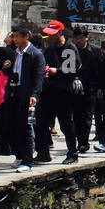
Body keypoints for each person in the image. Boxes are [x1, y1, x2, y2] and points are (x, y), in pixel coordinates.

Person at [35, 21, 80, 165]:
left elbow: (71, 71)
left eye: (52, 34)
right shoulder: (49, 49)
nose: (50, 37)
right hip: (48, 90)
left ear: (60, 33)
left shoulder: (69, 48)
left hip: (63, 91)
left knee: (66, 123)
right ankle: (43, 152)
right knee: (40, 120)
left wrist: (56, 71)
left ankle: (72, 153)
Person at [2, 26, 45, 171]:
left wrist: (34, 95)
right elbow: (11, 73)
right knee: (10, 125)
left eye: (16, 37)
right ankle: (18, 155)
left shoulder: (35, 55)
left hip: (26, 93)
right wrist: (7, 68)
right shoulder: (15, 53)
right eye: (13, 37)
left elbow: (38, 78)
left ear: (26, 36)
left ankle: (27, 160)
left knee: (24, 127)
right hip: (13, 91)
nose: (14, 40)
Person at [72, 28, 101, 153]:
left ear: (86, 37)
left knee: (87, 116)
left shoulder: (95, 51)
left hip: (90, 88)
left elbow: (100, 70)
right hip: (74, 89)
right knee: (76, 116)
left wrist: (99, 87)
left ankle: (84, 142)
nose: (78, 40)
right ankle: (79, 140)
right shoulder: (71, 50)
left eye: (80, 38)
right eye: (76, 38)